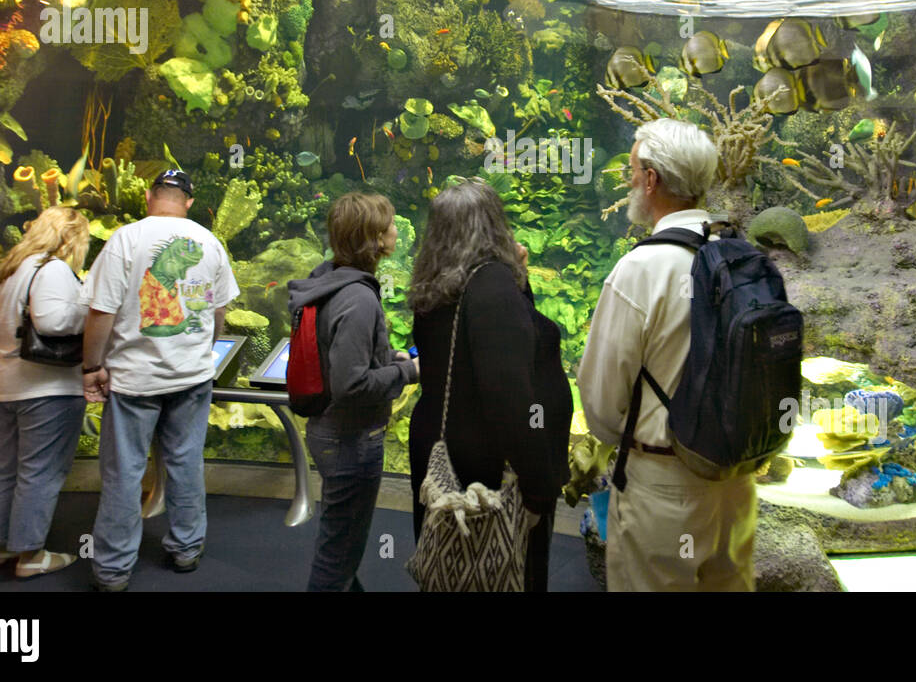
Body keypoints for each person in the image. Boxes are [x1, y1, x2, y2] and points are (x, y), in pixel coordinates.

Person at [579, 118, 757, 591]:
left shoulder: (642, 267)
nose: (631, 179)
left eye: (634, 169)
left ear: (652, 178)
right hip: (737, 487)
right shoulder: (739, 253)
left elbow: (600, 402)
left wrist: (635, 444)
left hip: (663, 486)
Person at [407, 179, 571, 592]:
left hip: (446, 459)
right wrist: (537, 488)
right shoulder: (493, 287)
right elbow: (512, 398)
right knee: (506, 573)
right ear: (495, 226)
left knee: (454, 573)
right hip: (490, 474)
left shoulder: (436, 288)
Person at [81, 170, 239, 592]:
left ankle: (113, 570)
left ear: (149, 196)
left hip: (135, 380)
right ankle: (187, 548)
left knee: (124, 472)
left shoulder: (124, 239)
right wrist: (204, 346)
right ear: (188, 201)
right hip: (192, 376)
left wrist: (90, 366)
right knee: (186, 461)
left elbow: (101, 312)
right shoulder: (210, 243)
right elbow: (218, 311)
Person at [287, 192, 419, 592]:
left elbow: (334, 350)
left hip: (329, 431)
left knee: (342, 543)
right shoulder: (359, 298)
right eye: (391, 223)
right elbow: (352, 384)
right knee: (337, 555)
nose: (397, 229)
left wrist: (385, 354)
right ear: (375, 237)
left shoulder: (326, 277)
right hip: (351, 439)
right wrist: (409, 371)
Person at [0, 206, 90, 579]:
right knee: (40, 471)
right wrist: (91, 310)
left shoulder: (10, 268)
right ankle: (31, 555)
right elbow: (54, 321)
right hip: (45, 386)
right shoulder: (52, 267)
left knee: (5, 468)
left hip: (2, 382)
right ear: (70, 236)